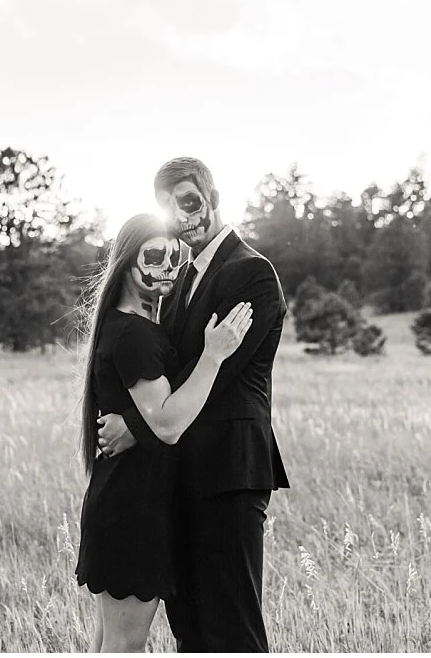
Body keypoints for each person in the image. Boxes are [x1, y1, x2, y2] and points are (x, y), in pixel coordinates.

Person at [98, 158, 290, 652]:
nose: (182, 219)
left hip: (229, 471)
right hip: (180, 475)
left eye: (189, 202)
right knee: (191, 631)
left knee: (231, 629)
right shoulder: (179, 277)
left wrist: (136, 425)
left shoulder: (251, 272)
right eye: (169, 210)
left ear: (212, 197)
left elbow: (218, 373)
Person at [76, 212, 253, 653]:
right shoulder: (134, 333)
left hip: (128, 500)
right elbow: (169, 424)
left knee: (109, 645)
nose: (168, 268)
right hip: (132, 509)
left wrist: (132, 426)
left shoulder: (136, 324)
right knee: (124, 646)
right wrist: (213, 356)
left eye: (175, 258)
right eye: (154, 256)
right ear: (126, 261)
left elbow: (149, 414)